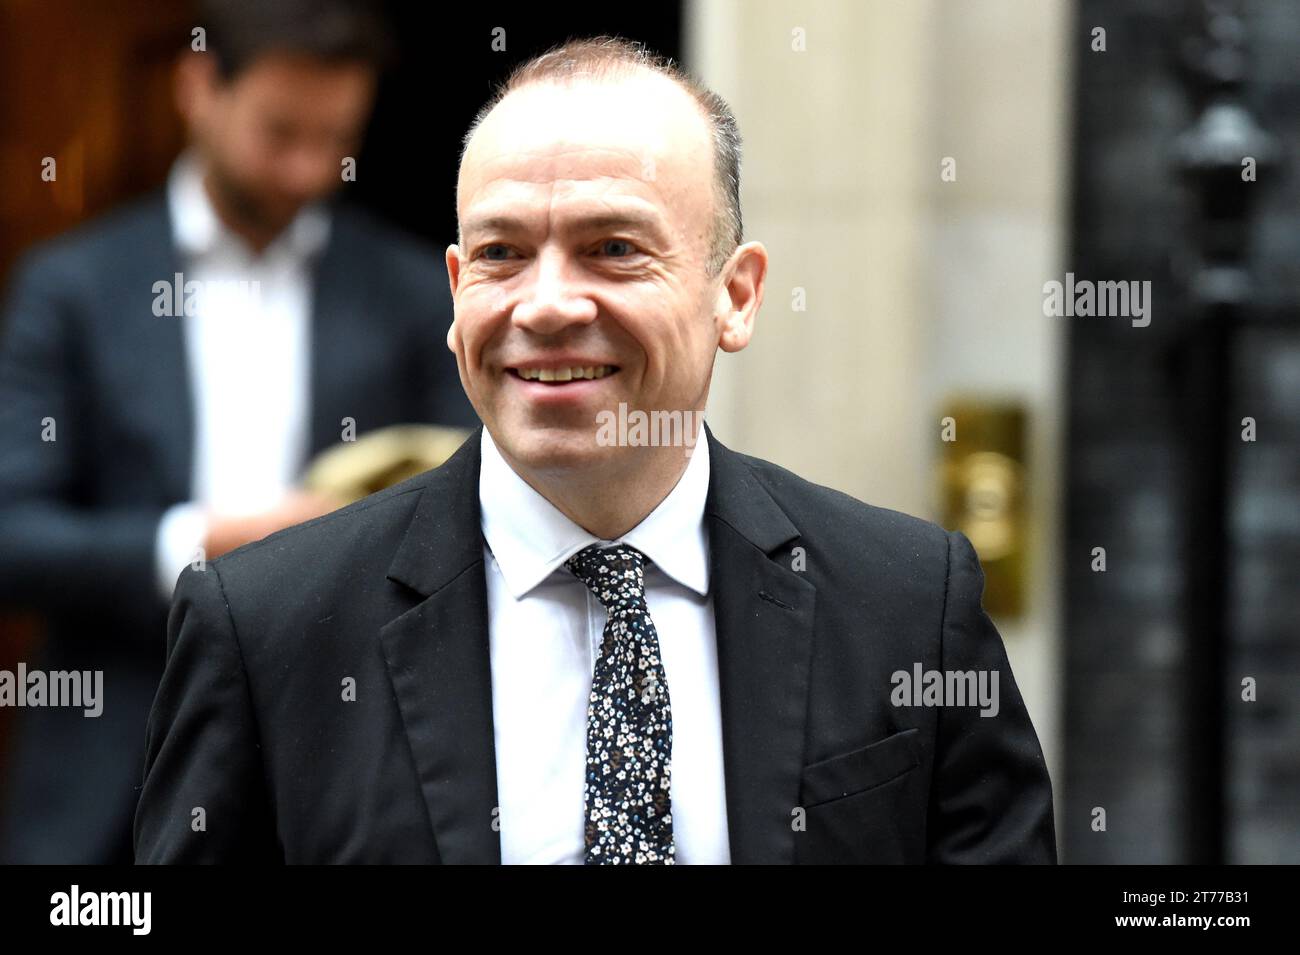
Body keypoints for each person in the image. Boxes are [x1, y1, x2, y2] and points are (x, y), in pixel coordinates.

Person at [134, 36, 1056, 864]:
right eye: (500, 253)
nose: (545, 305)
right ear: (456, 295)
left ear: (735, 295)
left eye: (612, 247)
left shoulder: (907, 600)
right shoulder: (265, 627)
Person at [0, 0, 475, 863]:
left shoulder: (412, 290)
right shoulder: (70, 285)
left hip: (343, 759)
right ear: (196, 86)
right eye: (280, 132)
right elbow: (12, 533)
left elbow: (464, 503)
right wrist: (208, 543)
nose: (307, 169)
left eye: (335, 139)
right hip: (107, 763)